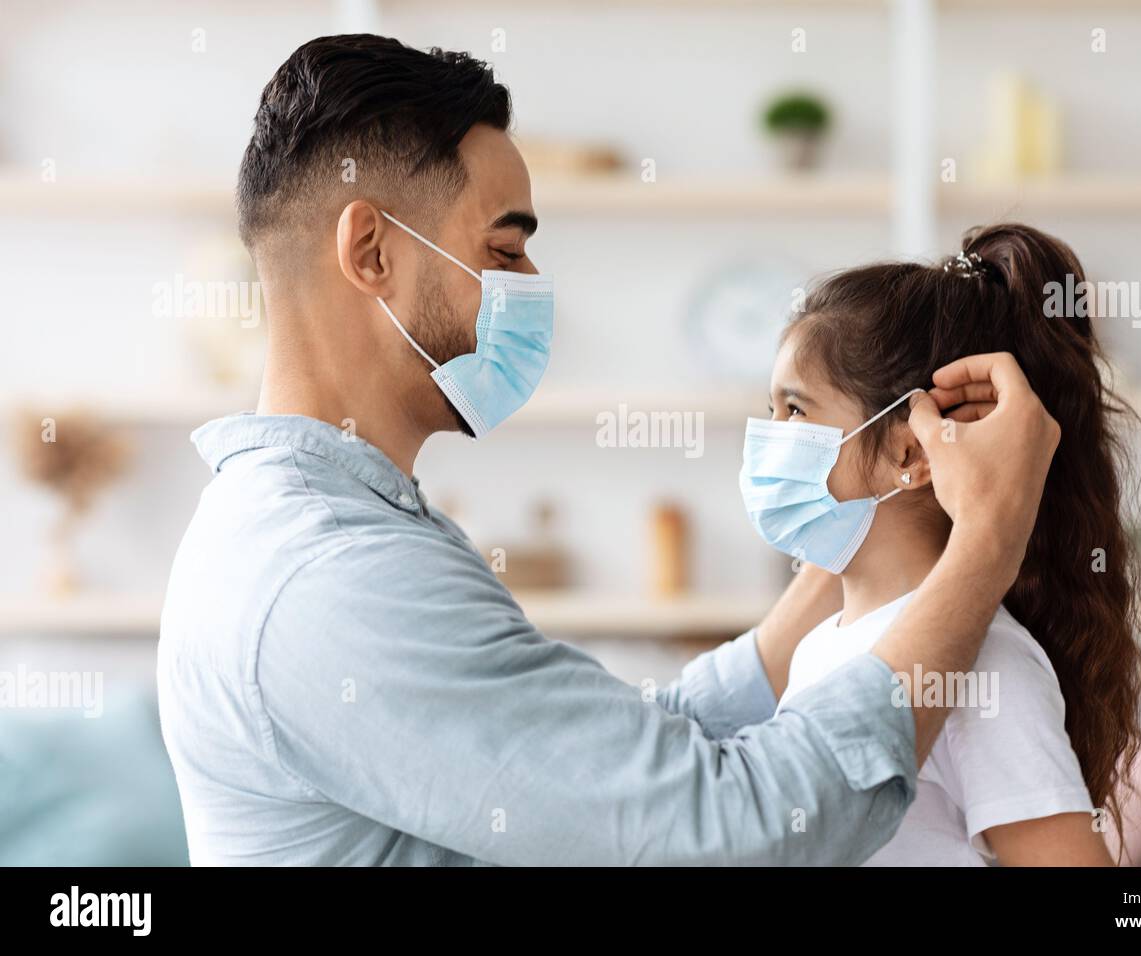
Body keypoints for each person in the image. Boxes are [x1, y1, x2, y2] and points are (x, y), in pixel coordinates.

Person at [157, 34, 1061, 866]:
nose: (531, 287)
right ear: (371, 251)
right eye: (504, 251)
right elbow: (722, 829)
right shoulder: (331, 576)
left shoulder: (324, 528)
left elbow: (614, 762)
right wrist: (985, 545)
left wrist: (855, 523)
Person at [741, 224, 1141, 866]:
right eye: (770, 410)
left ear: (909, 450)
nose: (769, 437)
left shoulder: (983, 664)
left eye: (795, 411)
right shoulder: (821, 644)